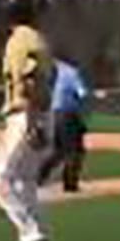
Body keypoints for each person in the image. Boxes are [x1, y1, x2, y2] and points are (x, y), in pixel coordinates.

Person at [0, 0, 55, 241]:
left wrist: (31, 117)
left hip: (27, 114)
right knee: (24, 182)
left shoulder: (19, 40)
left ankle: (32, 238)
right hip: (41, 113)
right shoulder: (40, 39)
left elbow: (30, 78)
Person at [40, 54, 90, 192]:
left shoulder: (53, 70)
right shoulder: (71, 72)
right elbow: (82, 93)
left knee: (59, 150)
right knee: (75, 150)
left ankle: (38, 177)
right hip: (68, 113)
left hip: (54, 113)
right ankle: (70, 184)